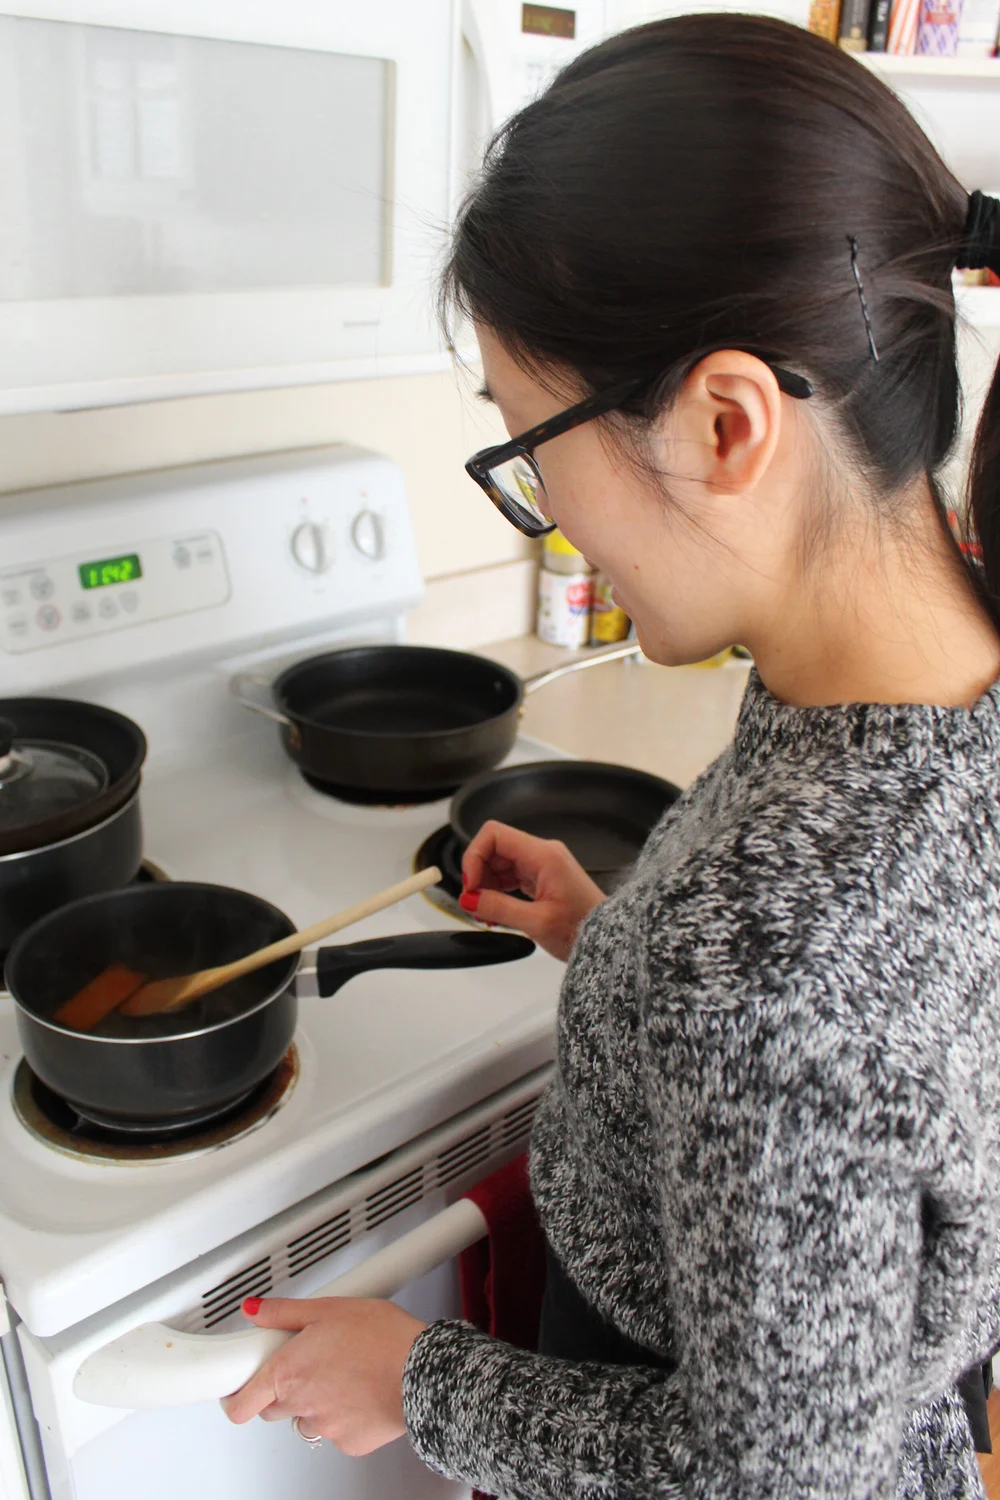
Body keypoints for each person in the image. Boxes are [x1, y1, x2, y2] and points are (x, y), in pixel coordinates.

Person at [222, 14, 1000, 1496]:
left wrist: (424, 1380)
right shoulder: (937, 666)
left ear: (724, 421)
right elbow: (881, 1077)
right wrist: (622, 939)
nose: (552, 511)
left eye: (532, 445)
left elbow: (776, 1483)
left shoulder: (766, 962)